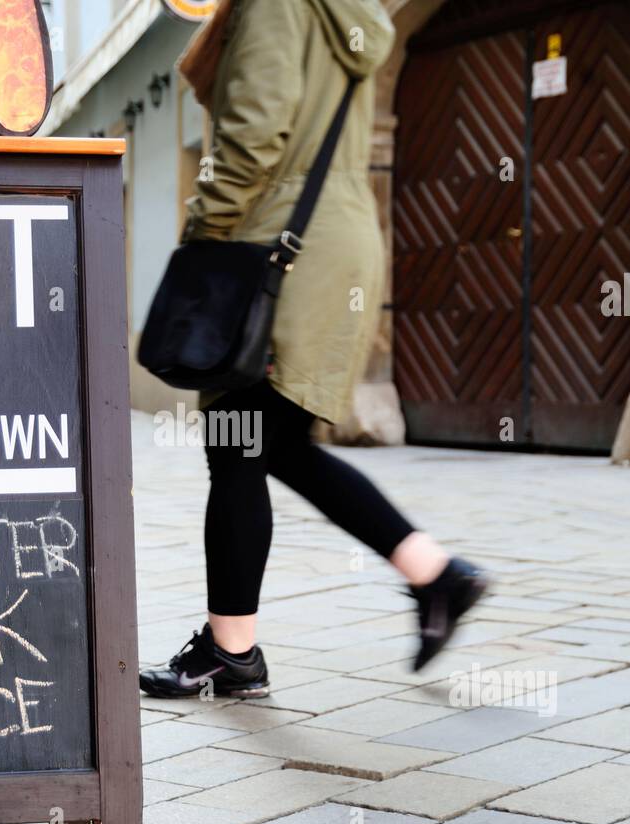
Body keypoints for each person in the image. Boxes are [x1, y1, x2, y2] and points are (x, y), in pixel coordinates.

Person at [139, 0, 488, 699]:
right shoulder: (340, 10)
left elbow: (252, 133)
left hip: (276, 249)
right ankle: (434, 574)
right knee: (276, 444)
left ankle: (233, 652)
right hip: (331, 242)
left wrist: (202, 238)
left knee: (239, 444)